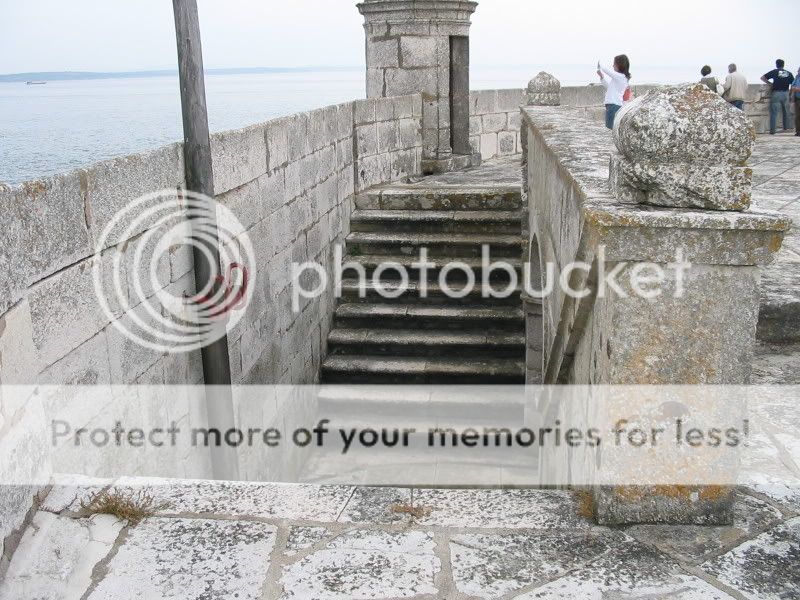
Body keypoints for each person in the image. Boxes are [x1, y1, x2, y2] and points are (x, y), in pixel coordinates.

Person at [761, 59, 795, 134]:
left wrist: (770, 83)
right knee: (786, 112)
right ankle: (786, 129)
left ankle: (773, 131)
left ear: (776, 65)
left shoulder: (774, 72)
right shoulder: (789, 73)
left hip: (776, 93)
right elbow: (793, 84)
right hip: (786, 93)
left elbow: (762, 78)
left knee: (774, 113)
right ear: (783, 65)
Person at [597, 55, 631, 130]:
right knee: (612, 127)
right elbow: (609, 87)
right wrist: (602, 77)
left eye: (614, 64)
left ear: (620, 65)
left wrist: (600, 64)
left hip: (614, 106)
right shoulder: (620, 78)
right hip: (612, 105)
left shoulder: (621, 77)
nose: (612, 65)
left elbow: (607, 71)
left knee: (613, 127)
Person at [792, 68, 800, 136]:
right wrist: (794, 88)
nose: (797, 72)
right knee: (797, 116)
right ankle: (798, 131)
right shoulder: (797, 77)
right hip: (797, 99)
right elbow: (792, 86)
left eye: (799, 70)